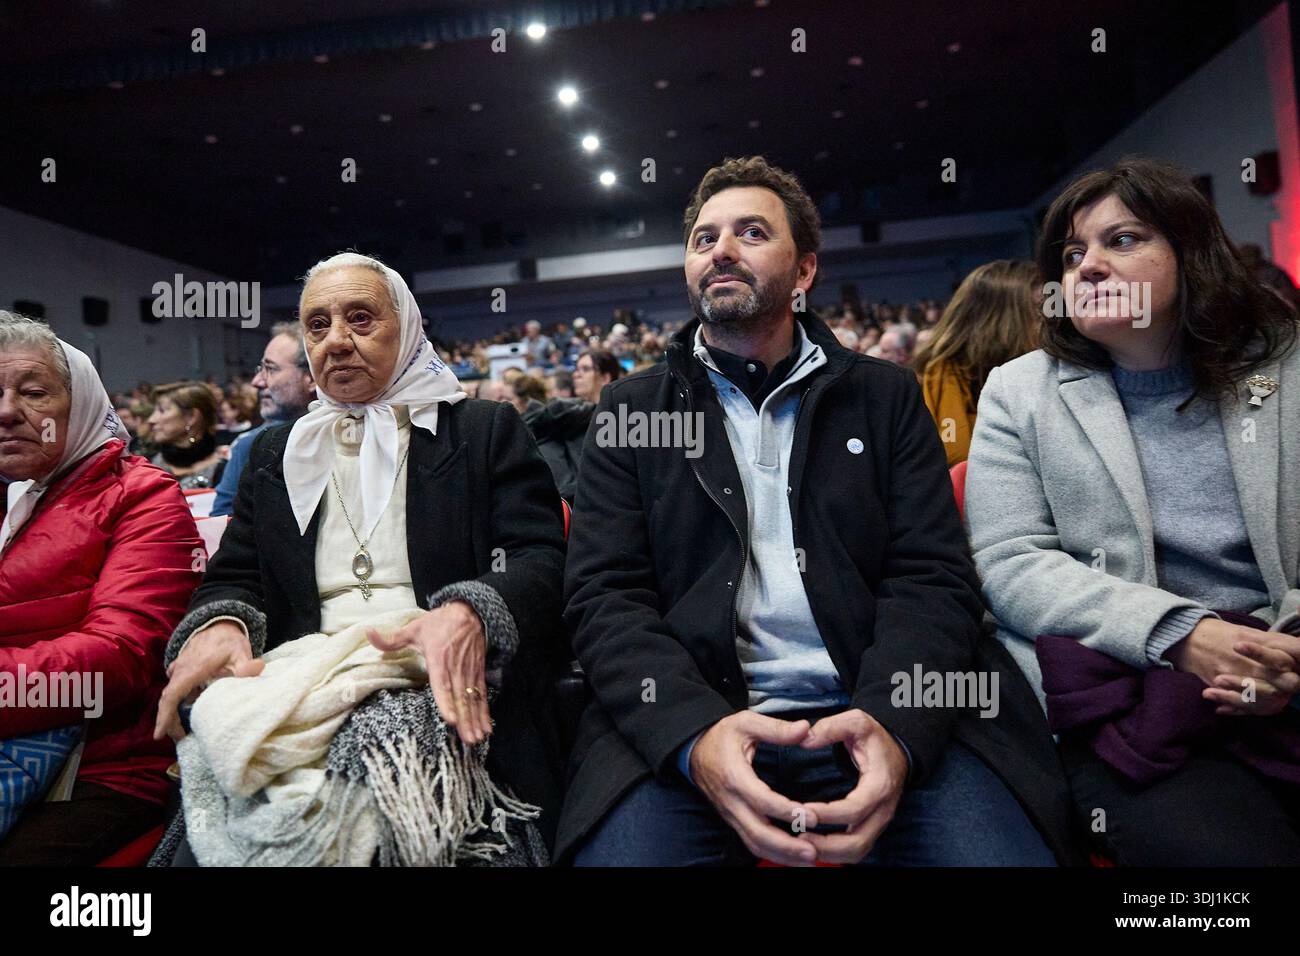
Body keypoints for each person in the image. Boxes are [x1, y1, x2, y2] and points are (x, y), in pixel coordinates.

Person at [558, 156, 1074, 867]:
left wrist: (895, 724)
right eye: (704, 239)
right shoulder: (630, 411)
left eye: (749, 232)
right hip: (695, 719)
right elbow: (603, 597)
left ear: (804, 272)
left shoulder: (886, 395)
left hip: (882, 707)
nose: (722, 251)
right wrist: (693, 736)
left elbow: (933, 577)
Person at [152, 253, 566, 866]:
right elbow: (235, 574)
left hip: (443, 682)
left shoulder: (482, 431)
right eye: (317, 326)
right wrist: (223, 623)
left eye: (361, 319)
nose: (337, 341)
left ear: (407, 331)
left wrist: (473, 612)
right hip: (299, 681)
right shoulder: (275, 451)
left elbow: (539, 558)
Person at [966, 158, 1300, 865]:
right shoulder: (1021, 393)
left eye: (1122, 241)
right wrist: (1180, 635)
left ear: (1191, 252)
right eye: (1071, 253)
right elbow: (1010, 563)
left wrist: (1279, 654)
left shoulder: (1285, 367)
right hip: (1135, 697)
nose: (1087, 266)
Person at [0, 312, 200, 865]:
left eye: (34, 392)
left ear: (82, 402)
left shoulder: (142, 497)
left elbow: (120, 658)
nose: (7, 411)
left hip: (101, 766)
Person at [912, 259, 1041, 466]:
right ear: (1004, 321)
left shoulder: (1047, 368)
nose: (1054, 321)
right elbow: (958, 458)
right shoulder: (946, 373)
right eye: (1038, 311)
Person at [211, 322, 317, 517]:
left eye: (271, 369)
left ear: (311, 378)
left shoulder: (349, 440)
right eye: (261, 369)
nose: (257, 382)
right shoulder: (248, 447)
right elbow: (221, 523)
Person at [148, 381, 225, 489]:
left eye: (162, 410)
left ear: (191, 417)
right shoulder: (148, 465)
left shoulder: (225, 471)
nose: (151, 420)